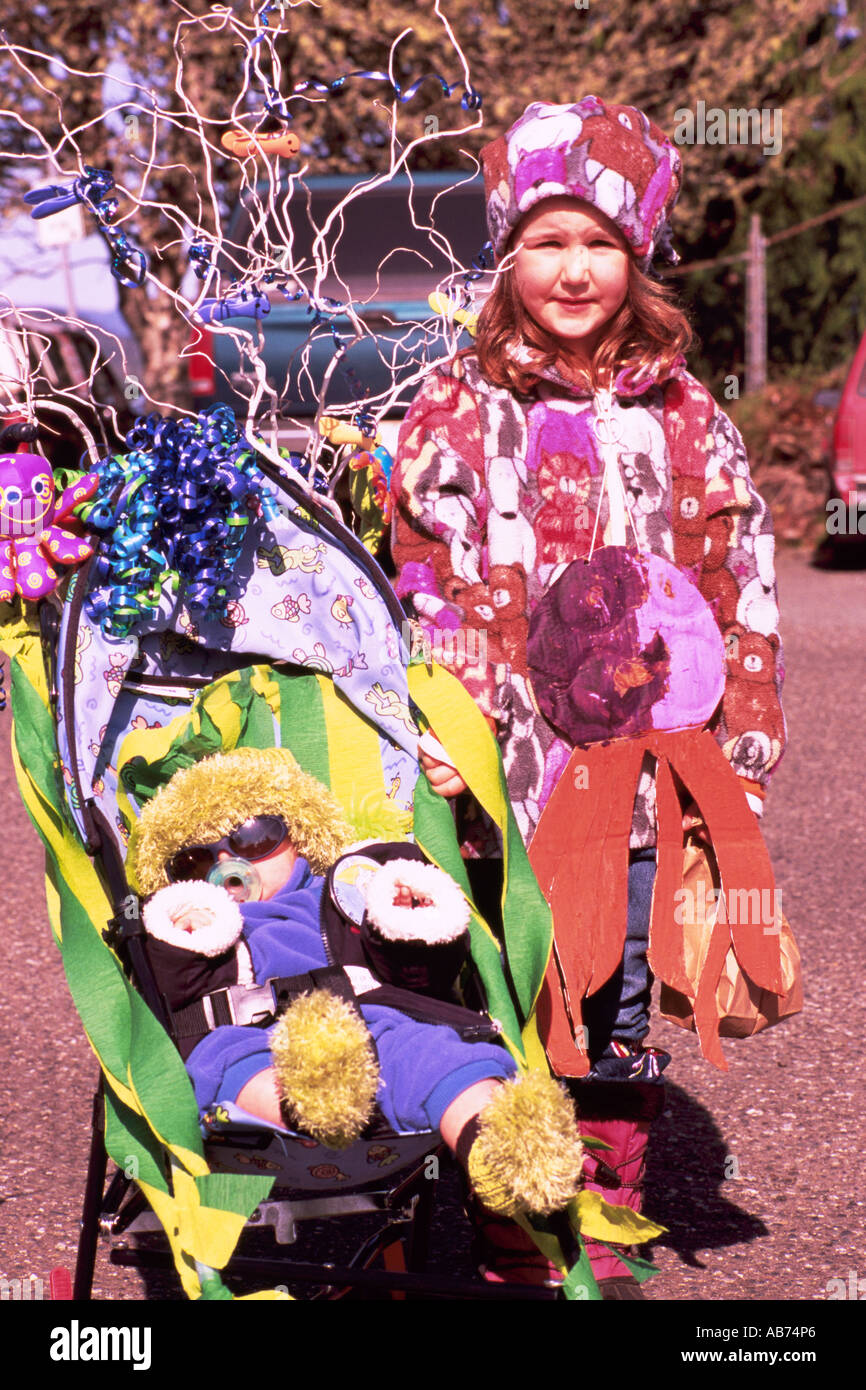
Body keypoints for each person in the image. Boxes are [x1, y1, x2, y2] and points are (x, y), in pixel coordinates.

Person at [391, 96, 787, 1297]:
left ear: (638, 257)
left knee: (614, 987)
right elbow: (426, 577)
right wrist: (440, 722)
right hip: (509, 768)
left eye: (600, 243)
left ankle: (603, 1202)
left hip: (644, 772)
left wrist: (746, 711)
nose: (574, 268)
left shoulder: (686, 420)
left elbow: (737, 565)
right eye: (549, 240)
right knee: (513, 982)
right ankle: (519, 1220)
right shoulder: (456, 412)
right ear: (509, 252)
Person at [130, 744, 586, 1258]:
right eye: (195, 859)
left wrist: (409, 917)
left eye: (255, 836)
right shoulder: (197, 922)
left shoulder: (341, 890)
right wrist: (180, 932)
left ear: (300, 835)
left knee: (434, 1051)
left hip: (370, 1020)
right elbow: (171, 990)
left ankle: (500, 1140)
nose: (228, 863)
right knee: (223, 1061)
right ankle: (308, 1095)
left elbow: (408, 967)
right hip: (248, 1032)